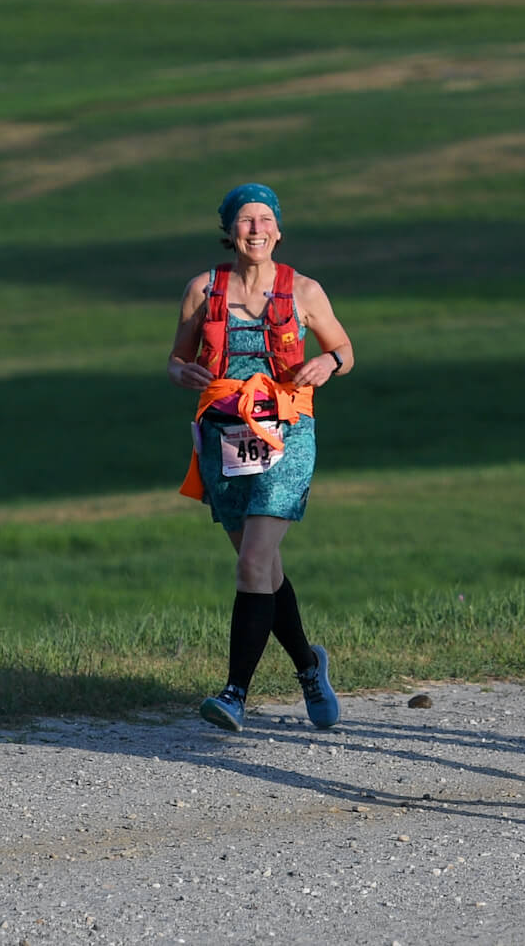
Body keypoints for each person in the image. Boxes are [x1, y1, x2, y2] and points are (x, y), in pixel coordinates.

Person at [169, 183, 355, 729]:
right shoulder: (203, 290)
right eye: (245, 220)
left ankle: (233, 694)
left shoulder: (305, 290)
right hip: (225, 438)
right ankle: (307, 665)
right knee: (263, 568)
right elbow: (177, 360)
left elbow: (343, 349)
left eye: (265, 219)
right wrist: (184, 373)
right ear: (230, 231)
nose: (255, 229)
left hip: (288, 434)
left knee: (251, 563)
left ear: (279, 229)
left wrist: (329, 364)